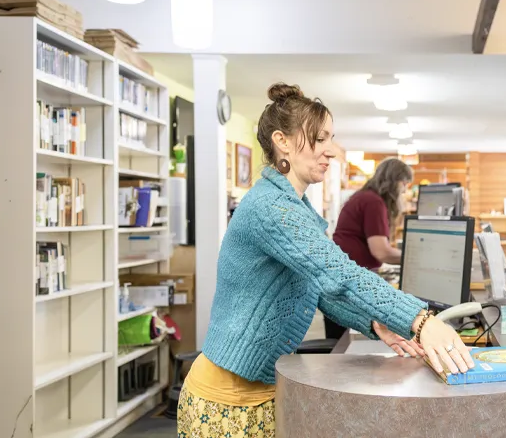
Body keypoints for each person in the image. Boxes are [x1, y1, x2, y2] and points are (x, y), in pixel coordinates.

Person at [178, 83, 473, 438]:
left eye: (330, 139)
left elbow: (318, 287)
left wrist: (373, 321)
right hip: (226, 400)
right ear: (282, 142)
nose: (330, 151)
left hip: (259, 390)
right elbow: (337, 272)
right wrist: (421, 320)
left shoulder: (290, 205)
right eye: (319, 139)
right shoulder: (271, 208)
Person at [325, 157, 413, 340]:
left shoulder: (365, 197)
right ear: (394, 181)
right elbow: (381, 251)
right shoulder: (373, 202)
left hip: (343, 281)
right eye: (404, 184)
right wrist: (414, 258)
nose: (404, 190)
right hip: (349, 284)